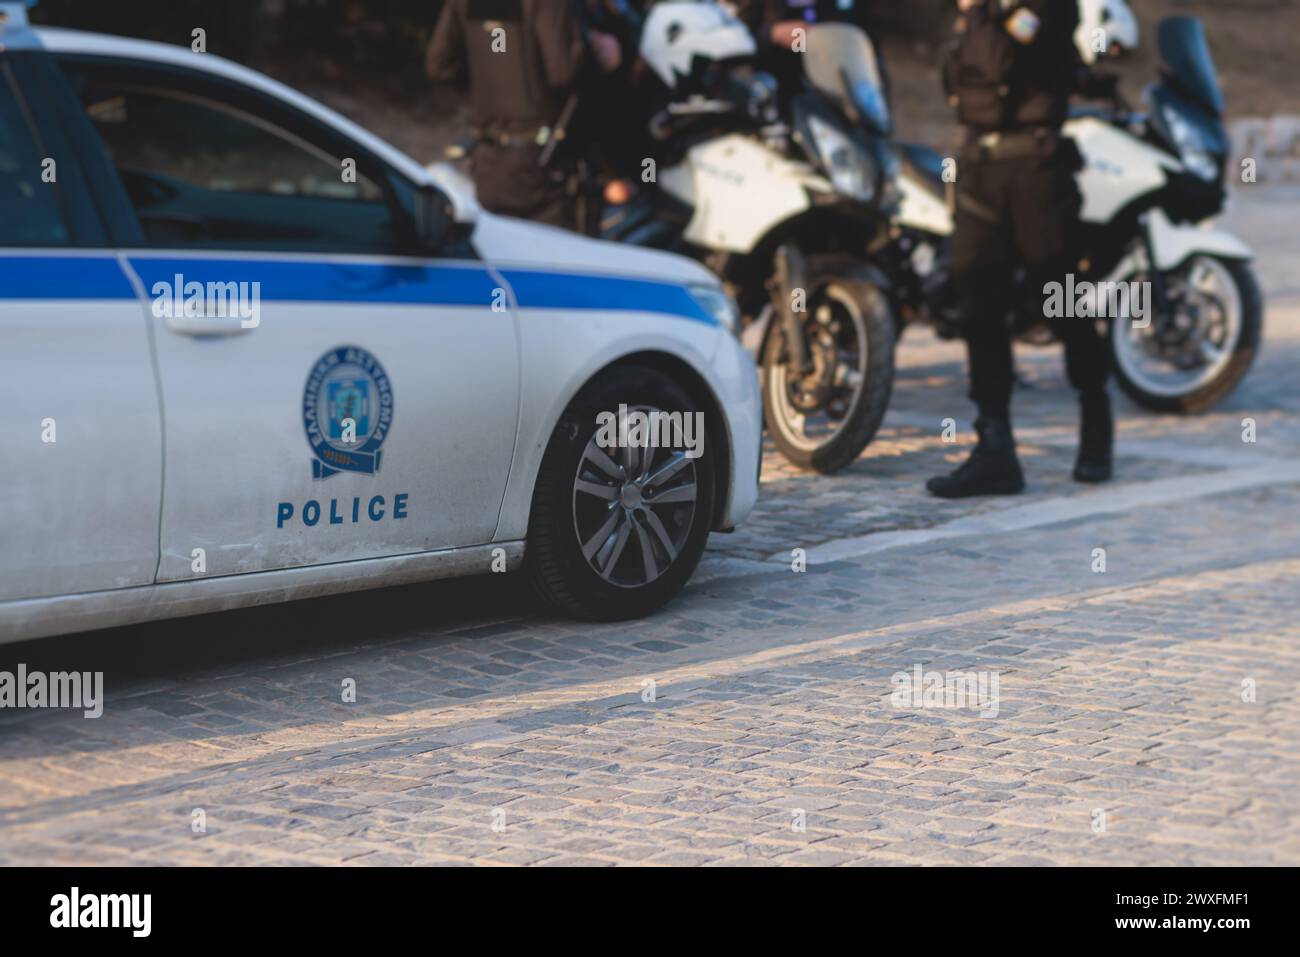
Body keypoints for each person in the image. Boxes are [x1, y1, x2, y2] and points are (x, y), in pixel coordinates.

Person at [927, 0, 1112, 498]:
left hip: (1035, 171)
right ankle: (995, 447)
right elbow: (958, 81)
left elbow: (998, 62)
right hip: (979, 168)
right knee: (977, 304)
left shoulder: (1046, 8)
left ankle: (1095, 417)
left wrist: (979, 14)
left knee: (1062, 298)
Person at [426, 0, 622, 229]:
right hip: (547, 169)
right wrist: (602, 58)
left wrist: (488, 89)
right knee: (558, 259)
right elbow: (564, 73)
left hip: (488, 159)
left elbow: (439, 65)